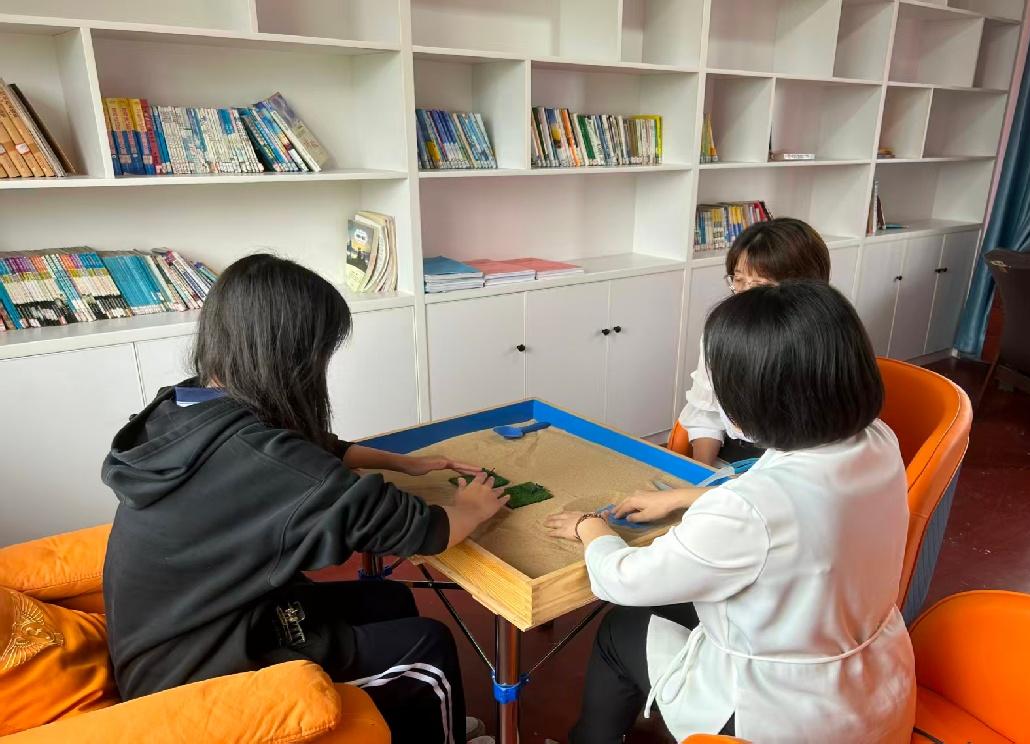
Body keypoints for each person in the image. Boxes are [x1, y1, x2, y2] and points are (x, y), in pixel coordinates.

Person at [102, 254, 505, 744]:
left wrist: (402, 463)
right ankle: (437, 710)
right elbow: (422, 531)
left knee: (391, 597)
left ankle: (418, 712)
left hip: (188, 635)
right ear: (289, 355)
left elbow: (304, 446)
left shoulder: (186, 404)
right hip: (200, 678)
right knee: (429, 644)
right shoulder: (267, 462)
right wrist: (473, 507)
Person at [547, 280, 915, 743]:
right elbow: (800, 506)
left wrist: (590, 527)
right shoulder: (878, 439)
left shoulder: (747, 510)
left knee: (621, 630)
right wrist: (685, 497)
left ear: (754, 399)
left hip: (777, 719)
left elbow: (623, 580)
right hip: (872, 688)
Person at [681, 217, 831, 466]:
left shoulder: (824, 343)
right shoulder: (723, 331)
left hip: (796, 462)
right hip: (734, 456)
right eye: (738, 280)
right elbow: (706, 411)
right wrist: (703, 473)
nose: (744, 295)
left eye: (761, 285)